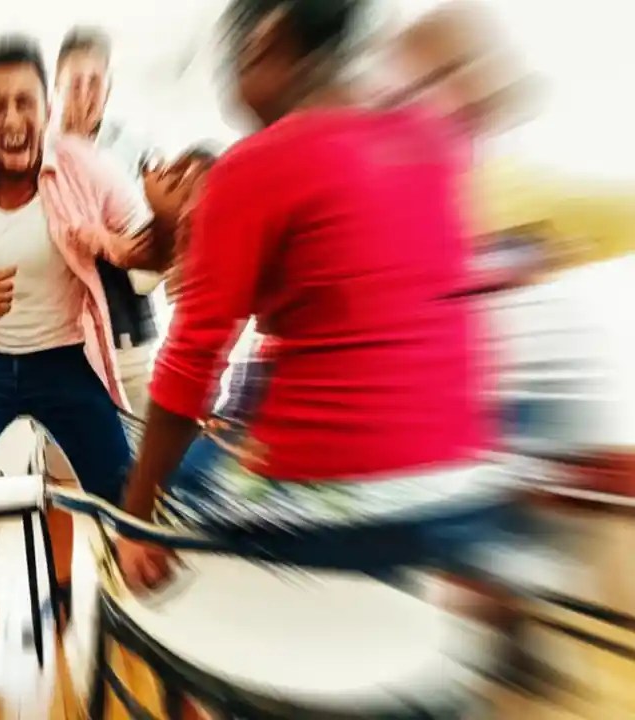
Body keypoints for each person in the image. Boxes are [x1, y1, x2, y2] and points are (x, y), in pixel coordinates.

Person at [118, 0, 505, 595]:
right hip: (465, 494)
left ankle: (223, 647)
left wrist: (135, 518)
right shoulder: (436, 141)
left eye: (233, 54)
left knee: (181, 474)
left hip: (339, 503)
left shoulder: (252, 166)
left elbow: (190, 365)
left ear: (269, 38)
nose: (229, 77)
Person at [0, 33, 176, 695]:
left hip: (65, 360)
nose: (11, 117)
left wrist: (156, 226)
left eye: (24, 101)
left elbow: (149, 257)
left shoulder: (85, 169)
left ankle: (157, 630)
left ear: (46, 108)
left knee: (124, 495)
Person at [30, 27, 162, 625]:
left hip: (133, 341)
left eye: (95, 82)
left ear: (108, 88)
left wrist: (108, 242)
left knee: (141, 478)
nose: (85, 94)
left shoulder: (137, 154)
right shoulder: (35, 160)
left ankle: (137, 597)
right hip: (64, 349)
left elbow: (161, 251)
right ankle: (61, 597)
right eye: (74, 83)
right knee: (59, 478)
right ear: (56, 90)